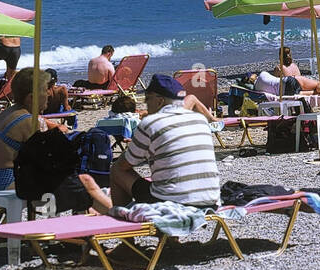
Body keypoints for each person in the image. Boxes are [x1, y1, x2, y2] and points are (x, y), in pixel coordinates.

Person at [78, 73, 219, 209]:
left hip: (174, 202)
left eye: (148, 98)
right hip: (211, 198)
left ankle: (123, 227)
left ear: (160, 101)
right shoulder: (199, 119)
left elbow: (124, 164)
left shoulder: (151, 123)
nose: (145, 103)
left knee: (116, 169)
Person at [0, 69, 49, 195]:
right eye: (45, 90)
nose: (48, 94)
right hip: (11, 184)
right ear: (31, 97)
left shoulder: (3, 115)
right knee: (78, 184)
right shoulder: (29, 121)